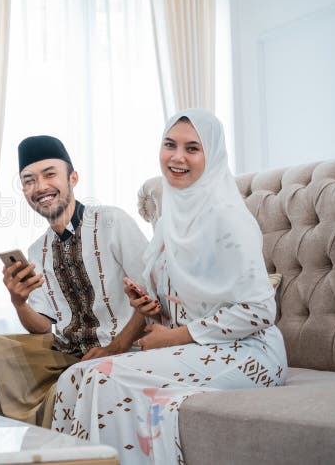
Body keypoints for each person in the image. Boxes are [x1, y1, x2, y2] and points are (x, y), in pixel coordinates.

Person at [51, 109, 288, 464]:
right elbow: (178, 298)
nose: (177, 157)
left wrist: (175, 337)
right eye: (169, 145)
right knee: (74, 377)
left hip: (248, 352)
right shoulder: (170, 218)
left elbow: (260, 310)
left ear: (212, 156)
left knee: (105, 380)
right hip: (198, 345)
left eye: (192, 148)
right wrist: (144, 307)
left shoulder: (227, 217)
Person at [0, 135, 149, 427]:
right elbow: (42, 326)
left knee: (70, 385)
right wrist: (19, 302)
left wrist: (115, 347)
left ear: (73, 178)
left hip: (124, 349)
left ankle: (50, 435)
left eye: (49, 174)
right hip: (68, 353)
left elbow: (152, 295)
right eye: (29, 180)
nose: (40, 187)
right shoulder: (37, 250)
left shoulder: (112, 222)